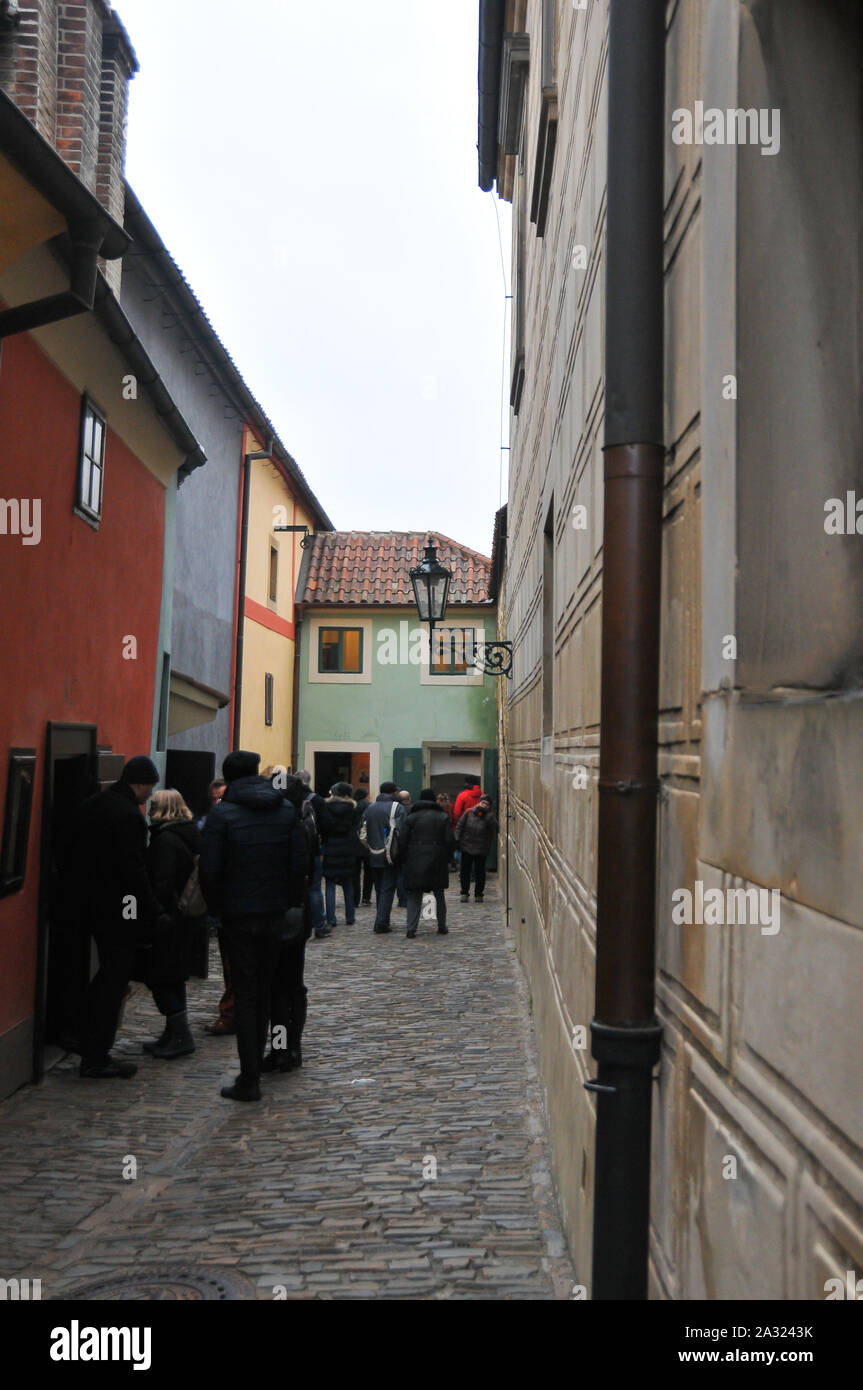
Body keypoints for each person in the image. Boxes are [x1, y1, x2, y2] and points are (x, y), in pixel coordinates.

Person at [200, 750, 300, 1102]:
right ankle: (277, 1054)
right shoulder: (285, 809)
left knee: (246, 994)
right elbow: (298, 862)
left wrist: (218, 911)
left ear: (227, 777)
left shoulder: (222, 814)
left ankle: (250, 1076)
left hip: (238, 916)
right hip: (274, 913)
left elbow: (209, 871)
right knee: (270, 988)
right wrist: (288, 899)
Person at [76, 755, 167, 1079]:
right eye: (151, 786)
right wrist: (143, 912)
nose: (150, 794)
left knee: (104, 977)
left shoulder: (93, 804)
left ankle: (81, 1038)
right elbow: (132, 872)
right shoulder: (128, 815)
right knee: (114, 978)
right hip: (116, 909)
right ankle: (95, 1054)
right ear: (140, 783)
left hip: (84, 903)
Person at [141, 789, 205, 1059]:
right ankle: (173, 1032)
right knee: (174, 975)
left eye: (152, 805)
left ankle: (180, 1035)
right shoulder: (189, 833)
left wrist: (151, 912)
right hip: (187, 916)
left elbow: (162, 883)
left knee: (159, 976)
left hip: (169, 917)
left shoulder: (166, 839)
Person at [261, 774, 315, 1073]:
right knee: (289, 986)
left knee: (283, 989)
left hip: (284, 913)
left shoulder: (290, 827)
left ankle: (285, 1048)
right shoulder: (303, 823)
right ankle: (287, 1047)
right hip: (295, 913)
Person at [198, 779, 235, 1036]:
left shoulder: (227, 824)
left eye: (220, 797)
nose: (217, 803)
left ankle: (232, 1014)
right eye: (214, 798)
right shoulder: (208, 824)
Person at [397, 788, 455, 937]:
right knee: (439, 894)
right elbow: (449, 841)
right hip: (437, 858)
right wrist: (448, 860)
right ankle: (442, 926)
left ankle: (411, 928)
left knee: (414, 895)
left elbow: (402, 840)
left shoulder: (411, 817)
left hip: (415, 858)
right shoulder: (442, 817)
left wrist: (403, 858)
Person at [360, 781, 407, 934]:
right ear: (393, 793)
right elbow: (403, 832)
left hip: (373, 853)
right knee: (387, 889)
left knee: (380, 889)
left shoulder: (370, 807)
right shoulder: (397, 808)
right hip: (391, 854)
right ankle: (381, 923)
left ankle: (382, 920)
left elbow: (361, 829)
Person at [314, 782, 359, 927]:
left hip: (331, 847)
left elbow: (322, 827)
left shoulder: (326, 807)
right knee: (348, 883)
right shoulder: (352, 808)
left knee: (330, 884)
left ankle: (331, 918)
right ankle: (350, 917)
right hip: (347, 848)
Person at [298, 770, 329, 939]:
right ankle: (319, 925)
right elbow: (325, 825)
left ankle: (298, 924)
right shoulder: (316, 799)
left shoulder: (285, 797)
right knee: (315, 888)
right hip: (314, 849)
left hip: (293, 849)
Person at [455, 795, 499, 903]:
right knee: (465, 871)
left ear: (489, 806)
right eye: (483, 803)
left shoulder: (490, 816)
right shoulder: (469, 812)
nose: (484, 805)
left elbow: (496, 828)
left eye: (487, 804)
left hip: (481, 848)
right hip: (466, 846)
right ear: (479, 803)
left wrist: (489, 818)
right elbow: (460, 826)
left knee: (480, 872)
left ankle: (479, 893)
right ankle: (464, 892)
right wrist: (457, 840)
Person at [352, 786, 373, 906]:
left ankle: (355, 899)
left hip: (354, 842)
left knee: (355, 873)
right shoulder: (370, 806)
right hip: (367, 842)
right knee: (368, 873)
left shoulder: (353, 806)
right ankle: (366, 897)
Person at [436, 791, 457, 869]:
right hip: (451, 829)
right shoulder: (451, 806)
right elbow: (454, 818)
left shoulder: (437, 808)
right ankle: (452, 864)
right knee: (450, 848)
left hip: (440, 831)